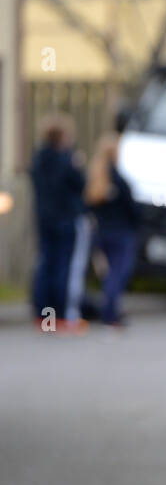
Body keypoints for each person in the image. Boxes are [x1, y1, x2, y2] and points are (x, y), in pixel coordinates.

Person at [29, 114, 85, 330]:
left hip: (44, 218)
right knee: (63, 266)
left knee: (45, 263)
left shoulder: (39, 159)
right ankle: (60, 315)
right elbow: (79, 185)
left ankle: (44, 315)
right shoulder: (66, 160)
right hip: (64, 218)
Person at [83, 132, 140, 327]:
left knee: (109, 274)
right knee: (118, 273)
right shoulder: (119, 180)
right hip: (121, 233)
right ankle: (110, 312)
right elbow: (132, 208)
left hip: (101, 233)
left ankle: (108, 310)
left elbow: (88, 206)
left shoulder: (95, 179)